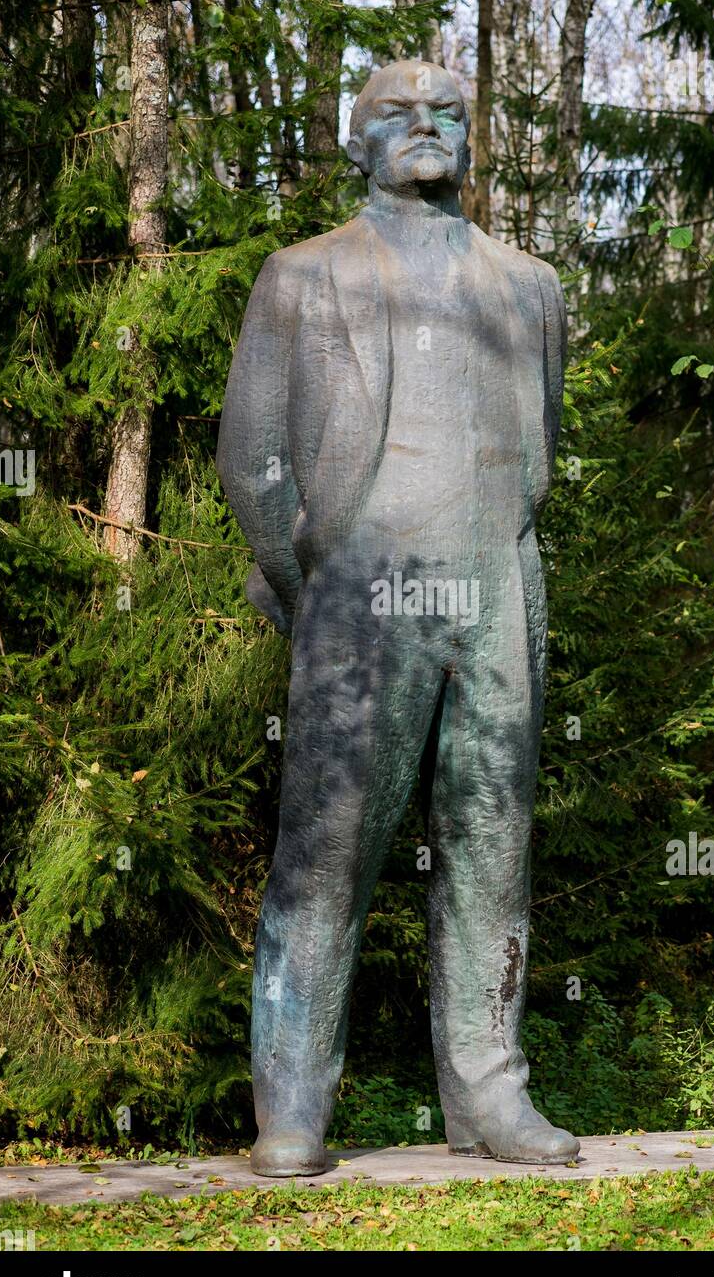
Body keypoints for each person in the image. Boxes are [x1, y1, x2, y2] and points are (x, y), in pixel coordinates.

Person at [217, 59, 579, 1175]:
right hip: (360, 594)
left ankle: (487, 1095)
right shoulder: (300, 276)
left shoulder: (530, 286)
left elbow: (541, 447)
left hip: (493, 588)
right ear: (354, 141)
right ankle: (292, 1109)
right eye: (397, 113)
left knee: (489, 850)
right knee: (326, 857)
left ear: (473, 139)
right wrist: (308, 580)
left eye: (449, 114)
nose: (427, 127)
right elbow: (253, 460)